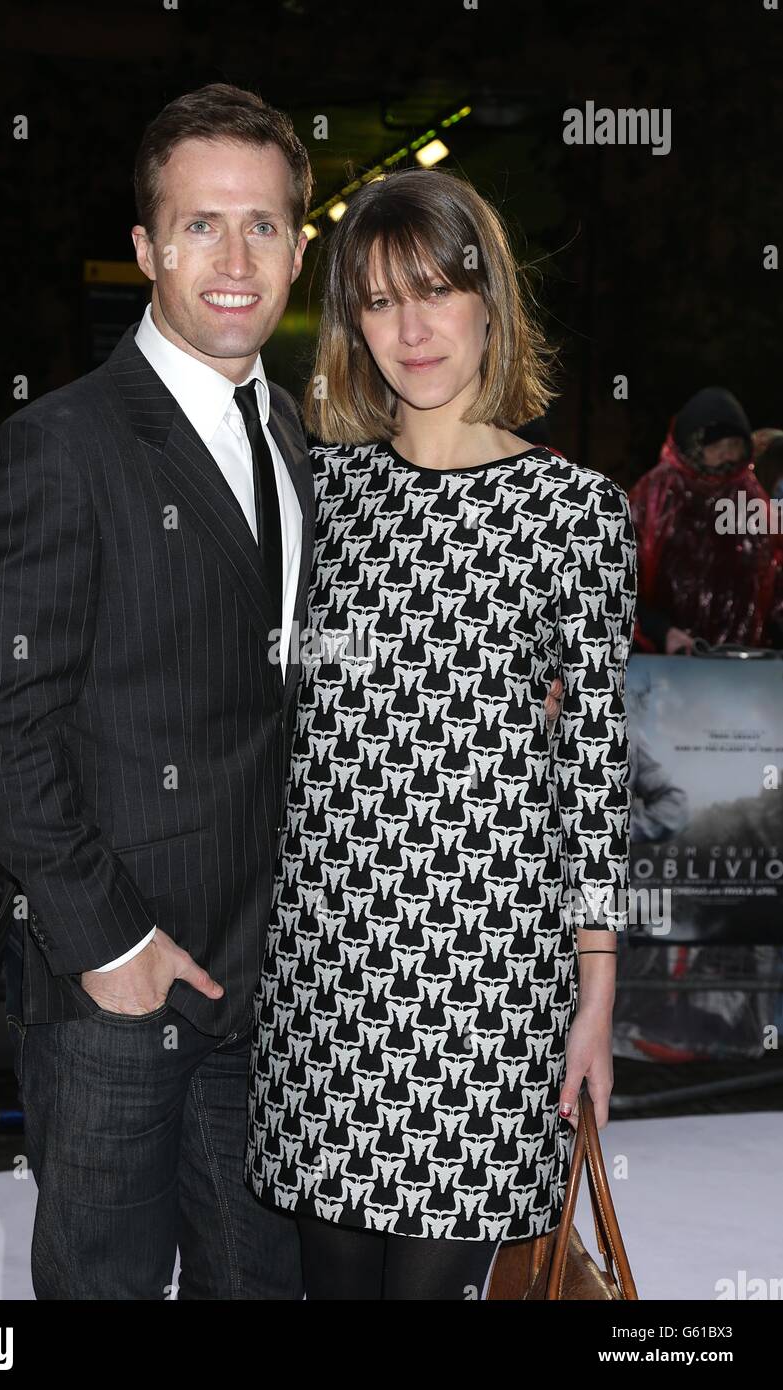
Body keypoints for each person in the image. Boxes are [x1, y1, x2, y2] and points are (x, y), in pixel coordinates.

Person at [0, 83, 318, 1301]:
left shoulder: (303, 442)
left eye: (262, 225)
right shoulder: (62, 445)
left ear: (299, 248)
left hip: (269, 988)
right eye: (200, 225)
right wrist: (111, 939)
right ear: (149, 248)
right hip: (116, 990)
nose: (233, 257)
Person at [245, 166, 637, 1299]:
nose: (412, 327)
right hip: (325, 979)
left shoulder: (577, 516)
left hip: (486, 984)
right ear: (351, 324)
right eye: (376, 299)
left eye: (435, 288)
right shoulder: (322, 496)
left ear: (488, 300)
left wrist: (597, 998)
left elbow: (596, 773)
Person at [630, 388, 783, 651]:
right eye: (715, 446)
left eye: (733, 446)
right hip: (662, 664)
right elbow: (616, 578)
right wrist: (659, 630)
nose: (726, 455)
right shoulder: (655, 495)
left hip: (741, 664)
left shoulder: (753, 499)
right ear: (694, 446)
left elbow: (775, 578)